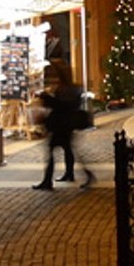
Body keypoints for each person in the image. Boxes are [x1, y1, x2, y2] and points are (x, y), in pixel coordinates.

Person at [33, 59, 92, 190]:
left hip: (61, 124)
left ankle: (48, 181)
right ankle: (71, 174)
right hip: (66, 124)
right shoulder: (72, 89)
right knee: (68, 150)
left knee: (53, 151)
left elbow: (61, 105)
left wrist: (46, 98)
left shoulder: (66, 89)